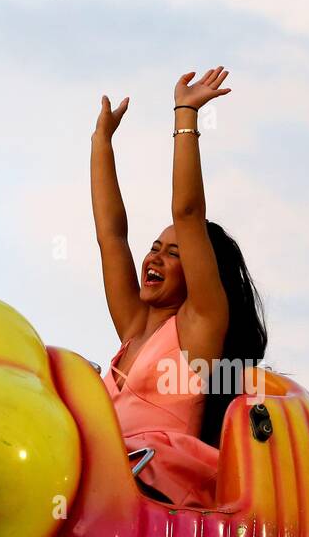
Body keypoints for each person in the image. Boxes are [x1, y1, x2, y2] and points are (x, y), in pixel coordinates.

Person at [90, 67, 268, 507]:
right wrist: (101, 144)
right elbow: (111, 235)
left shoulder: (198, 331)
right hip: (106, 494)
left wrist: (185, 115)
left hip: (162, 505)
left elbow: (188, 213)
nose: (155, 258)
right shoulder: (132, 327)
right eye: (155, 248)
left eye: (175, 253)